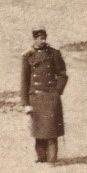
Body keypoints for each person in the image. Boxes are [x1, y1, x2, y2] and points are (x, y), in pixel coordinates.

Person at [20, 28, 68, 163]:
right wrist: (26, 104)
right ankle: (41, 158)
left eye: (44, 38)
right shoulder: (27, 56)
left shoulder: (54, 53)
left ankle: (52, 160)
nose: (43, 41)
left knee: (52, 132)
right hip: (36, 98)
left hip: (51, 97)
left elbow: (62, 74)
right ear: (34, 39)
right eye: (40, 38)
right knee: (39, 131)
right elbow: (24, 81)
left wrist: (57, 91)